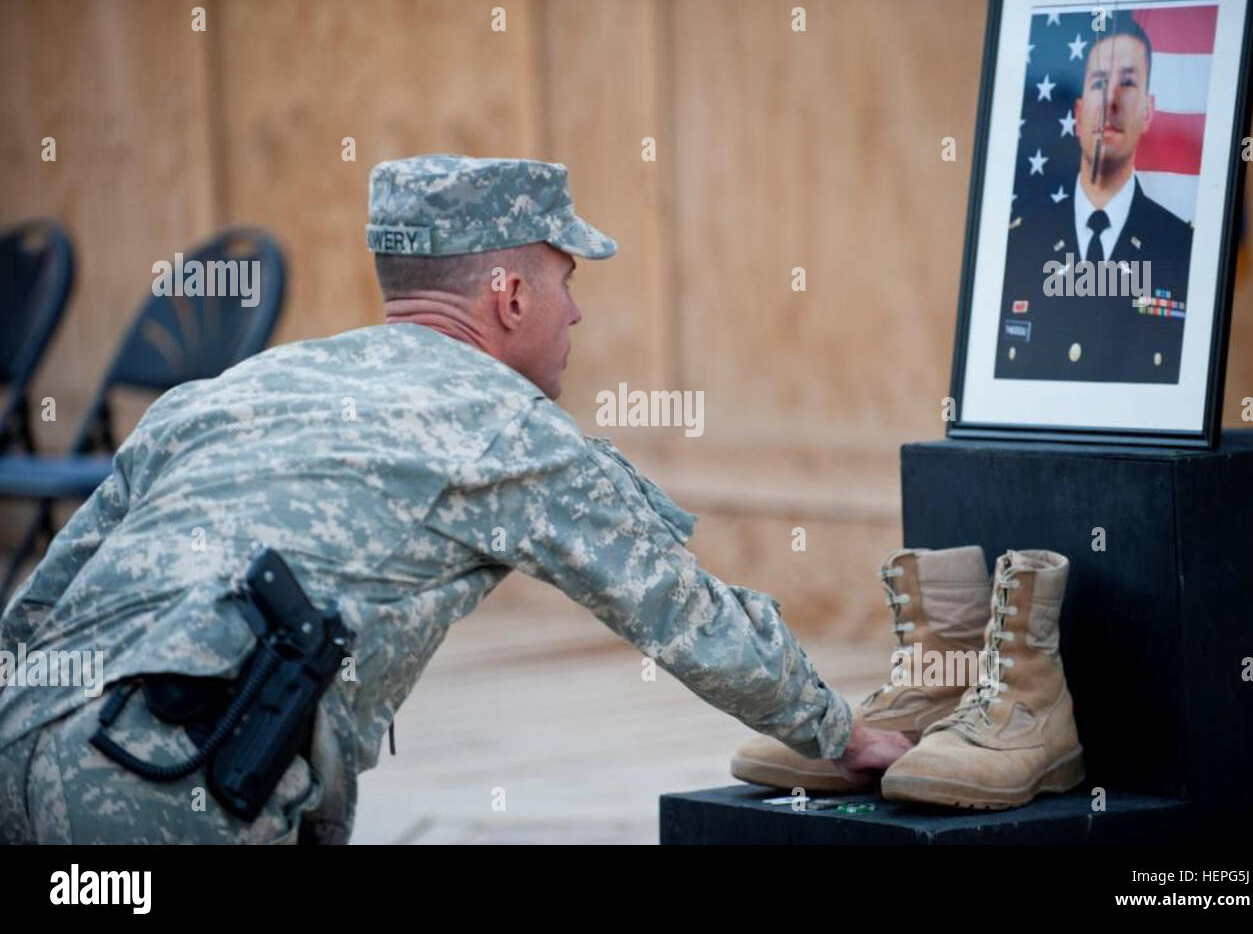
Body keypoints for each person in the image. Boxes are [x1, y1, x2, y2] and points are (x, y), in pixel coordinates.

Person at [0, 154, 911, 844]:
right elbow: (686, 614)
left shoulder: (228, 389)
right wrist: (839, 732)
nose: (579, 315)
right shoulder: (503, 429)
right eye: (569, 281)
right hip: (166, 788)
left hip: (21, 750)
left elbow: (36, 607)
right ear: (510, 295)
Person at [996, 15, 1193, 384]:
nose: (1111, 101)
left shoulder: (1181, 249)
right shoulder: (1019, 247)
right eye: (1100, 83)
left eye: (1128, 83)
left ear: (1148, 112)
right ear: (1079, 113)